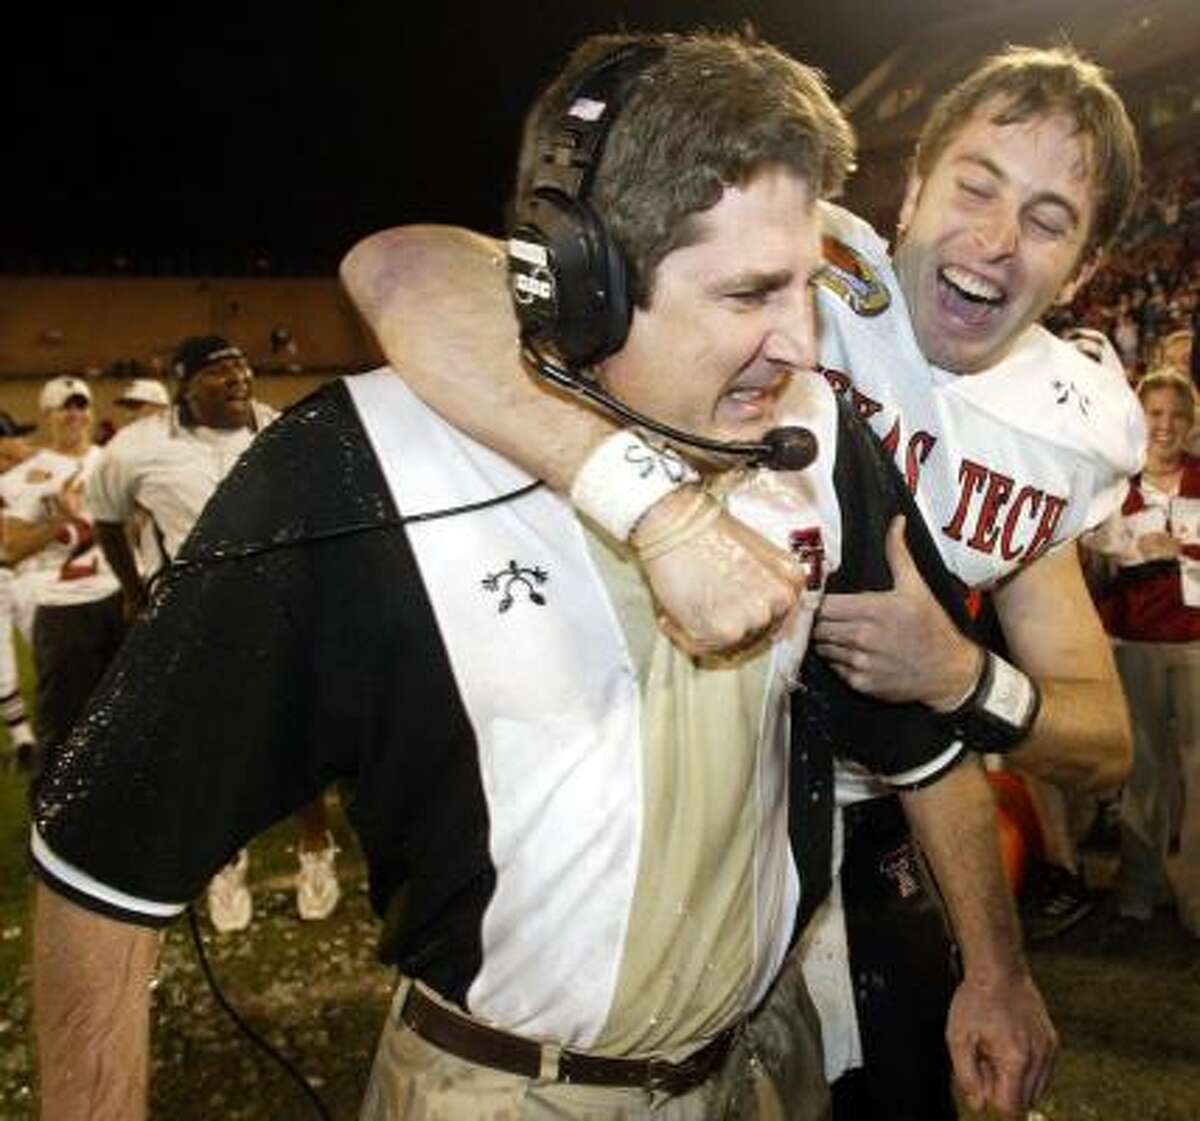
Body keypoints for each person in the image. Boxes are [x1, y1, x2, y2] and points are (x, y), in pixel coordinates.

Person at [31, 31, 1052, 1121]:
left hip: (763, 1062)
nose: (801, 342)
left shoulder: (811, 433)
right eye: (750, 292)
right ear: (580, 283)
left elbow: (915, 726)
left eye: (807, 284)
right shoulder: (355, 469)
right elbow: (103, 859)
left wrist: (995, 969)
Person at [340, 43, 1141, 1121]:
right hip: (667, 793)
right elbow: (408, 270)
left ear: (1083, 271)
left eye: (1049, 221)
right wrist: (652, 506)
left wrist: (956, 671)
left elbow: (1102, 743)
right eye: (976, 185)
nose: (996, 241)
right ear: (910, 187)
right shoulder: (795, 253)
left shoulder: (1065, 424)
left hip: (887, 832)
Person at [87, 335, 342, 929]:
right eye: (218, 371)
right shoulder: (138, 447)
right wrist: (131, 587)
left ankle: (316, 846)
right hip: (197, 613)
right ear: (185, 385)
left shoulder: (280, 429)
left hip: (285, 606)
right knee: (211, 742)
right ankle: (224, 857)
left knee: (295, 735)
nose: (237, 379)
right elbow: (105, 515)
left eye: (242, 367)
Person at [1085, 370, 1200, 938]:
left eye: (1177, 415)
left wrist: (1181, 549)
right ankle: (1137, 891)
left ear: (1192, 423)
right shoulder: (1116, 488)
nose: (1166, 426)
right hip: (1135, 645)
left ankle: (1195, 898)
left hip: (1198, 645)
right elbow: (1093, 555)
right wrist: (1134, 547)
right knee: (1146, 773)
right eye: (1155, 414)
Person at [0, 376, 125, 778]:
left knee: (126, 712)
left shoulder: (115, 460)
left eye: (81, 405)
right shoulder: (24, 476)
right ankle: (52, 823)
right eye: (64, 407)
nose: (74, 414)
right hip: (62, 609)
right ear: (48, 415)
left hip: (120, 599)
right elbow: (13, 548)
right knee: (64, 725)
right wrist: (60, 518)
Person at [0, 410, 40, 768]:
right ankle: (24, 739)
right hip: (15, 571)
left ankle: (27, 737)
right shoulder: (23, 472)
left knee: (46, 651)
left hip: (25, 571)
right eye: (14, 437)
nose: (22, 444)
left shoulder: (26, 472)